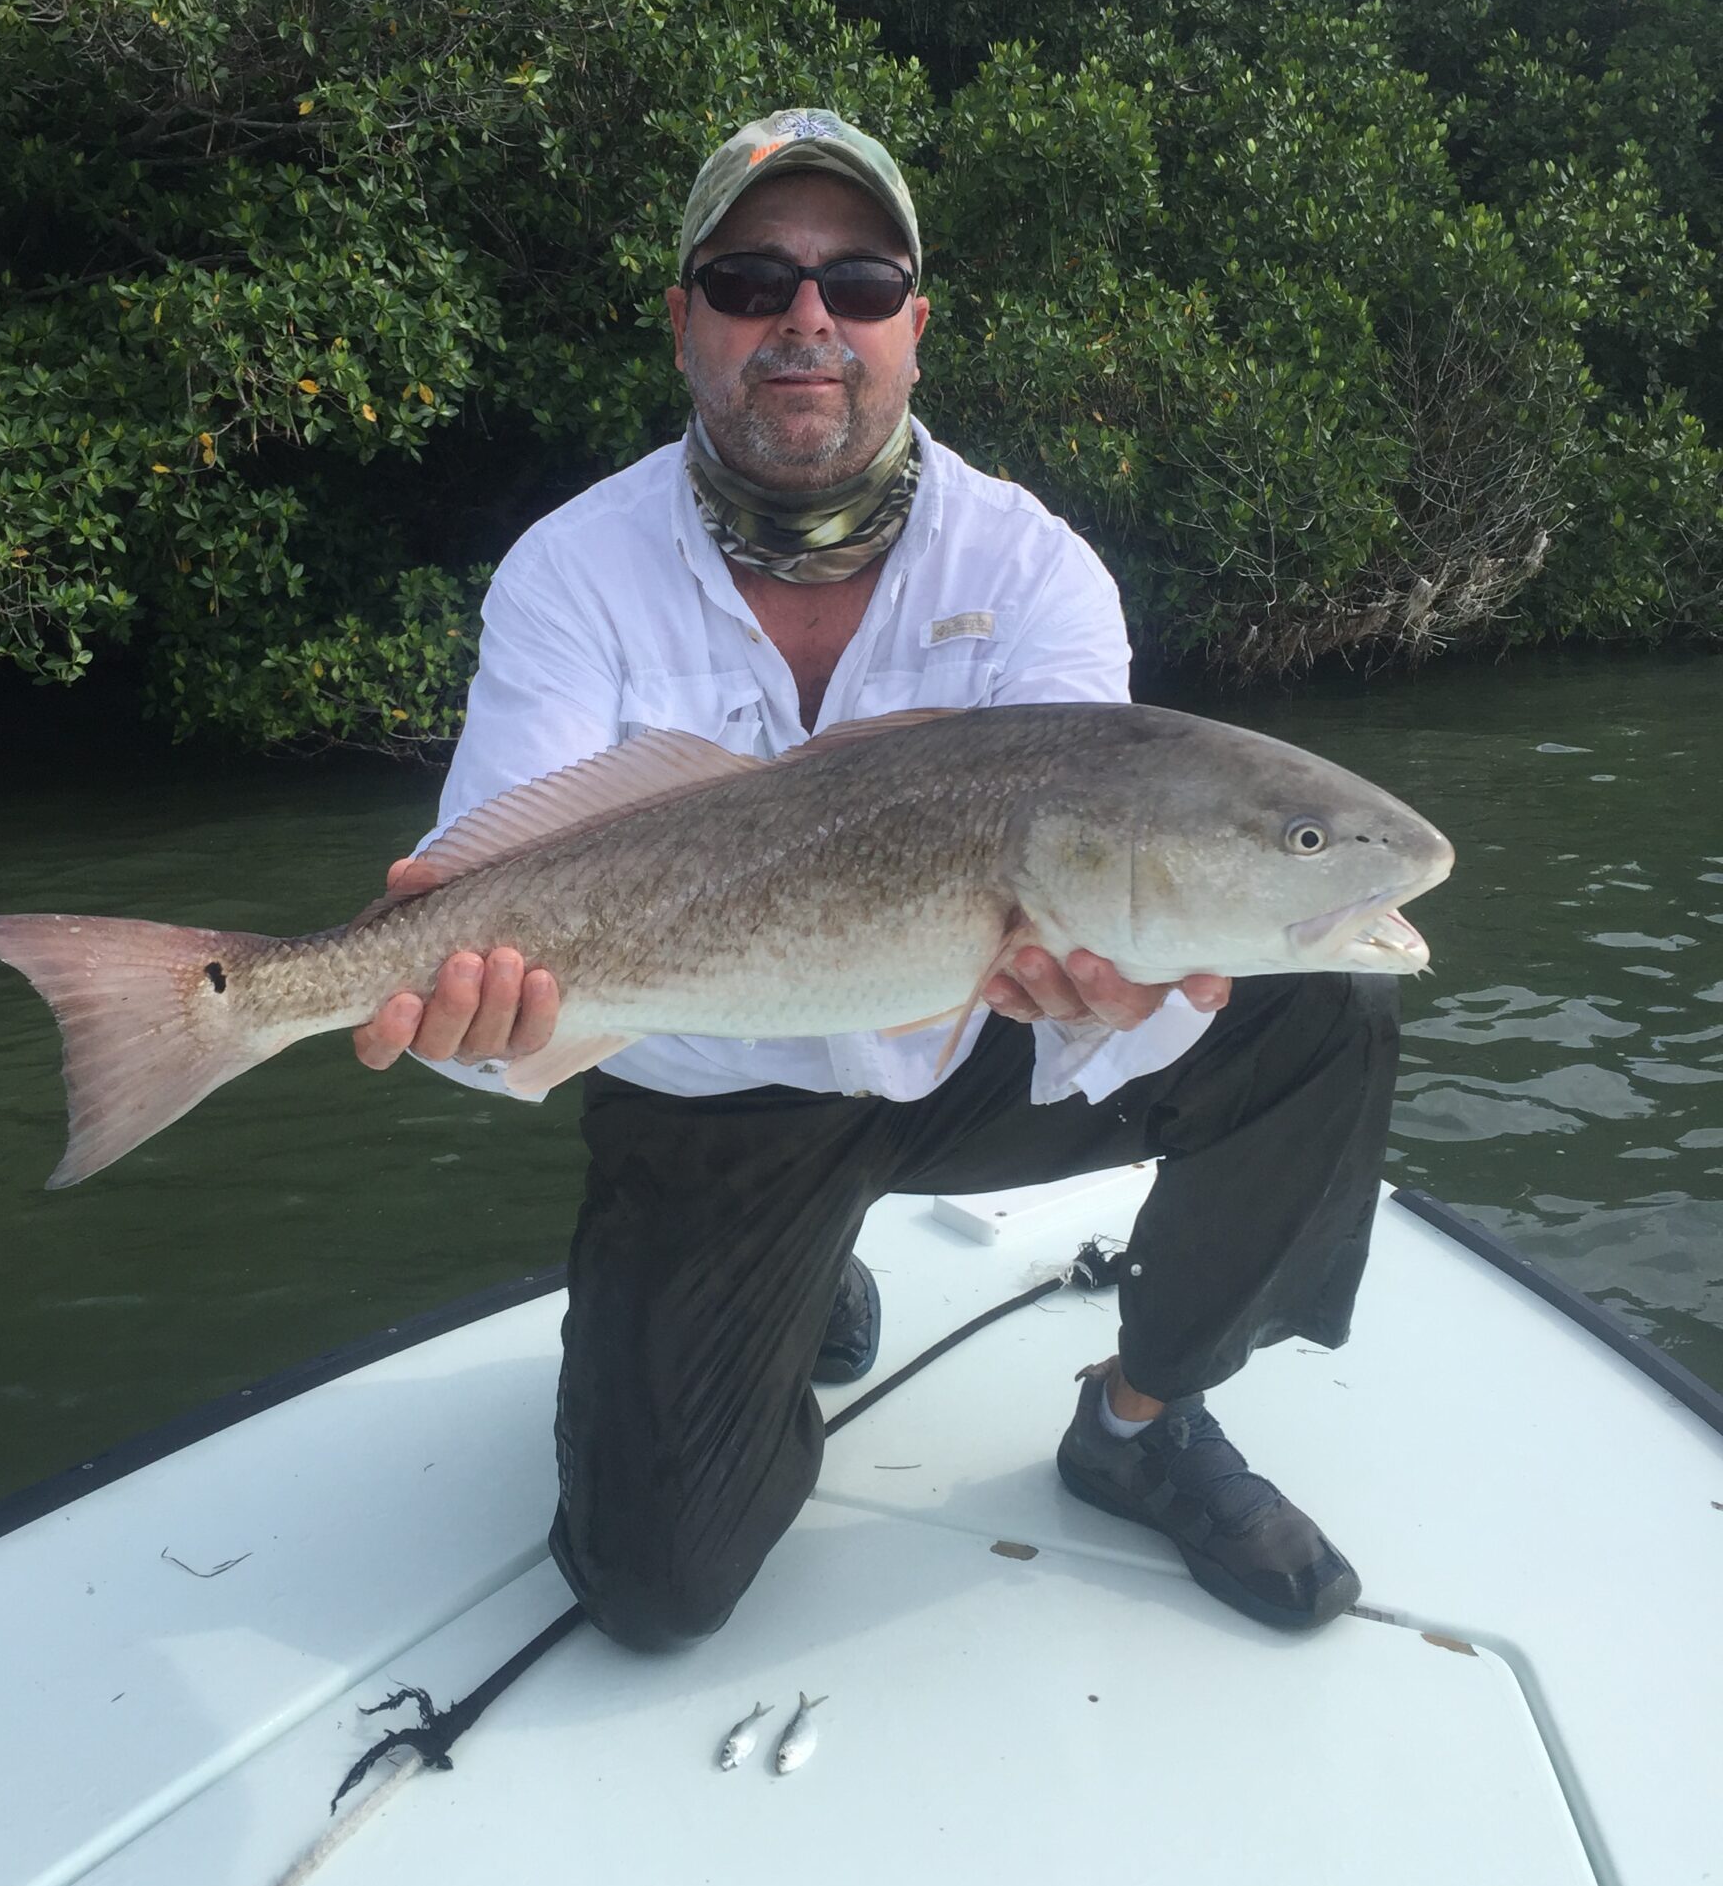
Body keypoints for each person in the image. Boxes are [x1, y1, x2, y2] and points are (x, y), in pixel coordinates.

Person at [353, 110, 1399, 1647]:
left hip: (975, 1043)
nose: (806, 321)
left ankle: (1142, 1417)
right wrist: (473, 1027)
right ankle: (799, 1274)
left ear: (915, 321)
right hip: (714, 1093)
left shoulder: (1032, 568)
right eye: (751, 278)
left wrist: (1114, 999)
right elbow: (490, 902)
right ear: (686, 321)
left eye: (857, 282)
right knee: (655, 1588)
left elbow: (1115, 886)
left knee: (1328, 1013)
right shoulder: (572, 573)